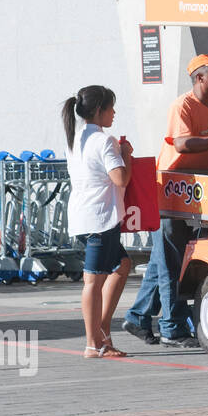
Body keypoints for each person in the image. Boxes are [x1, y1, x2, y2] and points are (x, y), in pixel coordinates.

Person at [122, 54, 208, 349]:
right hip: (172, 188)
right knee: (172, 262)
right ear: (199, 79)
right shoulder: (183, 105)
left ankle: (138, 316)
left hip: (201, 187)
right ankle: (172, 328)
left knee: (166, 259)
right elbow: (181, 143)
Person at [63, 86, 133, 359]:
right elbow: (121, 179)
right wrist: (126, 154)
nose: (114, 113)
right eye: (111, 108)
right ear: (98, 110)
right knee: (93, 280)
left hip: (82, 217)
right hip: (101, 219)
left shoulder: (75, 138)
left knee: (122, 264)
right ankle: (94, 343)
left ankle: (102, 331)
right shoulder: (104, 141)